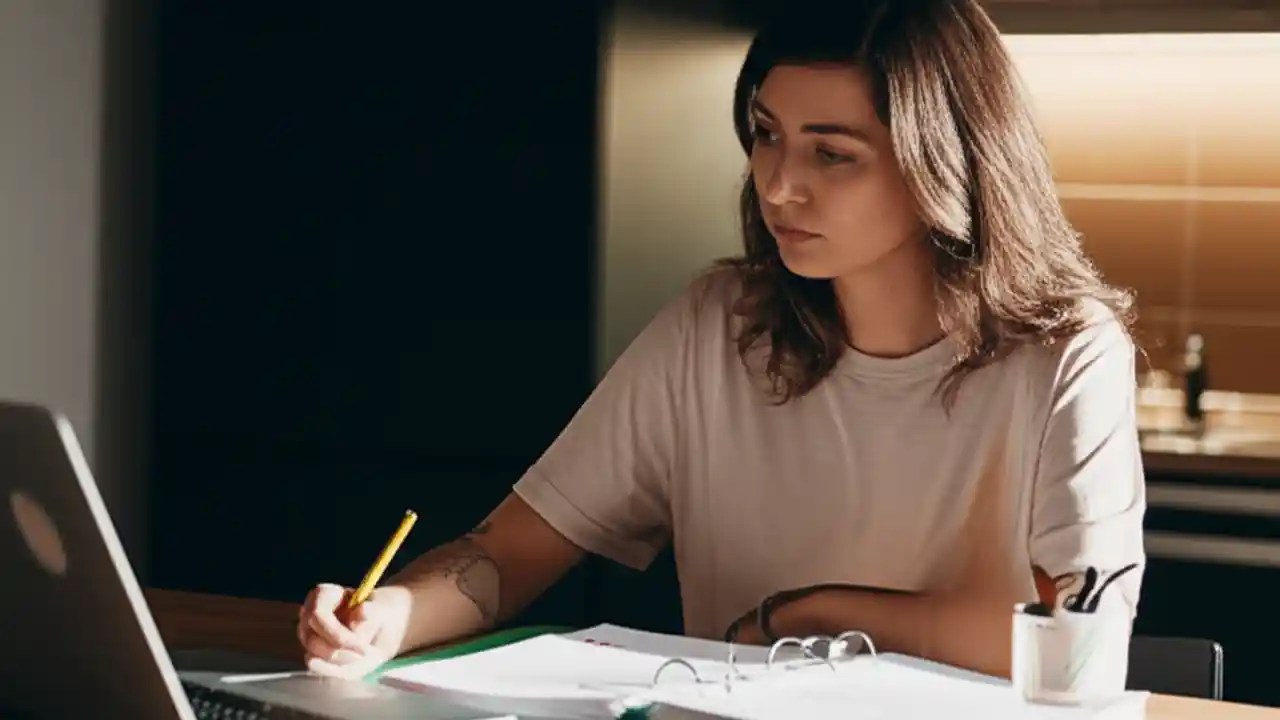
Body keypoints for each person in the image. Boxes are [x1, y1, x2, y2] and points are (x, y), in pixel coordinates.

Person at [297, 0, 1146, 681]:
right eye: (768, 133)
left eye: (832, 154)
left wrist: (807, 614)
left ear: (946, 164)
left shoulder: (1068, 352)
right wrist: (391, 618)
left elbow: (1077, 637)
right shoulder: (717, 328)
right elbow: (509, 553)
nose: (778, 184)